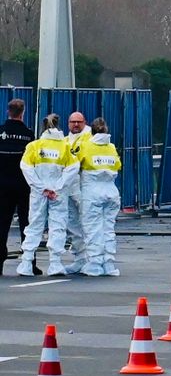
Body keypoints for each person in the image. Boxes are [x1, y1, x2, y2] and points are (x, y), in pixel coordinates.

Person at [17, 113, 78, 277]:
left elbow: (26, 167)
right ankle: (55, 264)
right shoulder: (65, 147)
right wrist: (57, 187)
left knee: (34, 226)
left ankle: (26, 263)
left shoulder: (34, 146)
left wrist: (41, 188)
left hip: (39, 193)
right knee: (58, 226)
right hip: (58, 194)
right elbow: (73, 168)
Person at [77, 117, 122, 277]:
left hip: (92, 192)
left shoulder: (85, 145)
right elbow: (118, 165)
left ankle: (95, 264)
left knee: (92, 228)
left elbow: (76, 165)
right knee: (108, 229)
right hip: (111, 192)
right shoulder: (111, 147)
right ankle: (109, 263)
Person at [0, 98, 34, 275]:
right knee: (27, 225)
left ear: (8, 111)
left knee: (2, 225)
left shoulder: (0, 132)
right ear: (23, 112)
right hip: (23, 187)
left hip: (2, 186)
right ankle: (30, 262)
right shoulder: (29, 135)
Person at [63, 110, 92, 274]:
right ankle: (80, 258)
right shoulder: (65, 140)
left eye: (78, 122)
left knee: (88, 224)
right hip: (70, 188)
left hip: (85, 188)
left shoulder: (90, 137)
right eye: (72, 122)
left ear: (84, 122)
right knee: (72, 225)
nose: (75, 125)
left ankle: (92, 258)